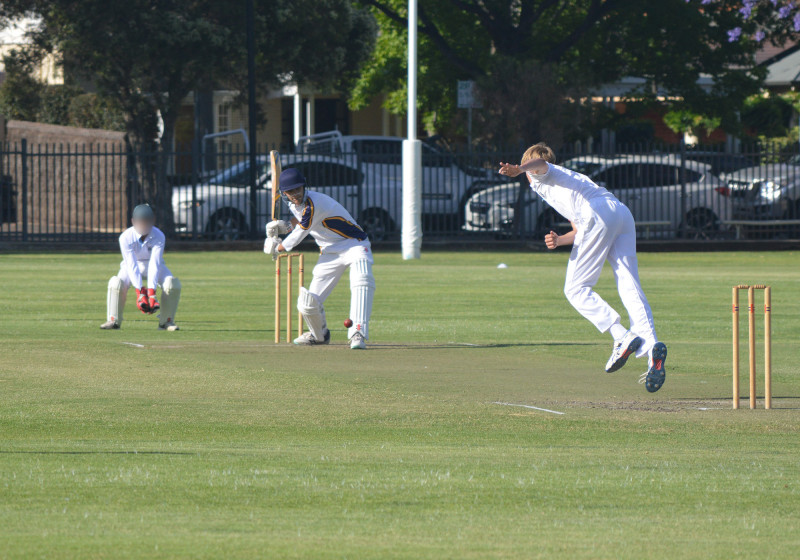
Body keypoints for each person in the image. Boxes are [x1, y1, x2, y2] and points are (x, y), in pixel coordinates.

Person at [499, 143, 667, 392]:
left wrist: (519, 168)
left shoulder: (541, 173)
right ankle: (650, 344)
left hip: (599, 214)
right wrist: (560, 240)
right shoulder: (566, 181)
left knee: (575, 289)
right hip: (619, 213)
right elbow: (580, 229)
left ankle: (622, 335)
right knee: (629, 282)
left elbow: (540, 163)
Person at [264, 168, 375, 350]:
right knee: (307, 303)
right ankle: (319, 335)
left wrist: (277, 247)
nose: (295, 194)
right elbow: (299, 220)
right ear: (284, 193)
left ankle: (358, 332)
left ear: (304, 187)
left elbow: (301, 231)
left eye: (298, 189)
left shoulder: (314, 203)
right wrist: (284, 226)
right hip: (329, 251)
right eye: (291, 192)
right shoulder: (294, 203)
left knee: (362, 279)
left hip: (354, 243)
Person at [100, 203, 181, 331]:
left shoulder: (159, 235)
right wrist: (140, 293)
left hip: (154, 265)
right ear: (133, 221)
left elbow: (155, 263)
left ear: (152, 221)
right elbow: (131, 265)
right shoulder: (125, 237)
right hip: (132, 265)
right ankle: (113, 320)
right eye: (140, 222)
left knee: (172, 284)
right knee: (116, 283)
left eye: (146, 222)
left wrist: (151, 294)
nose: (143, 225)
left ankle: (166, 322)